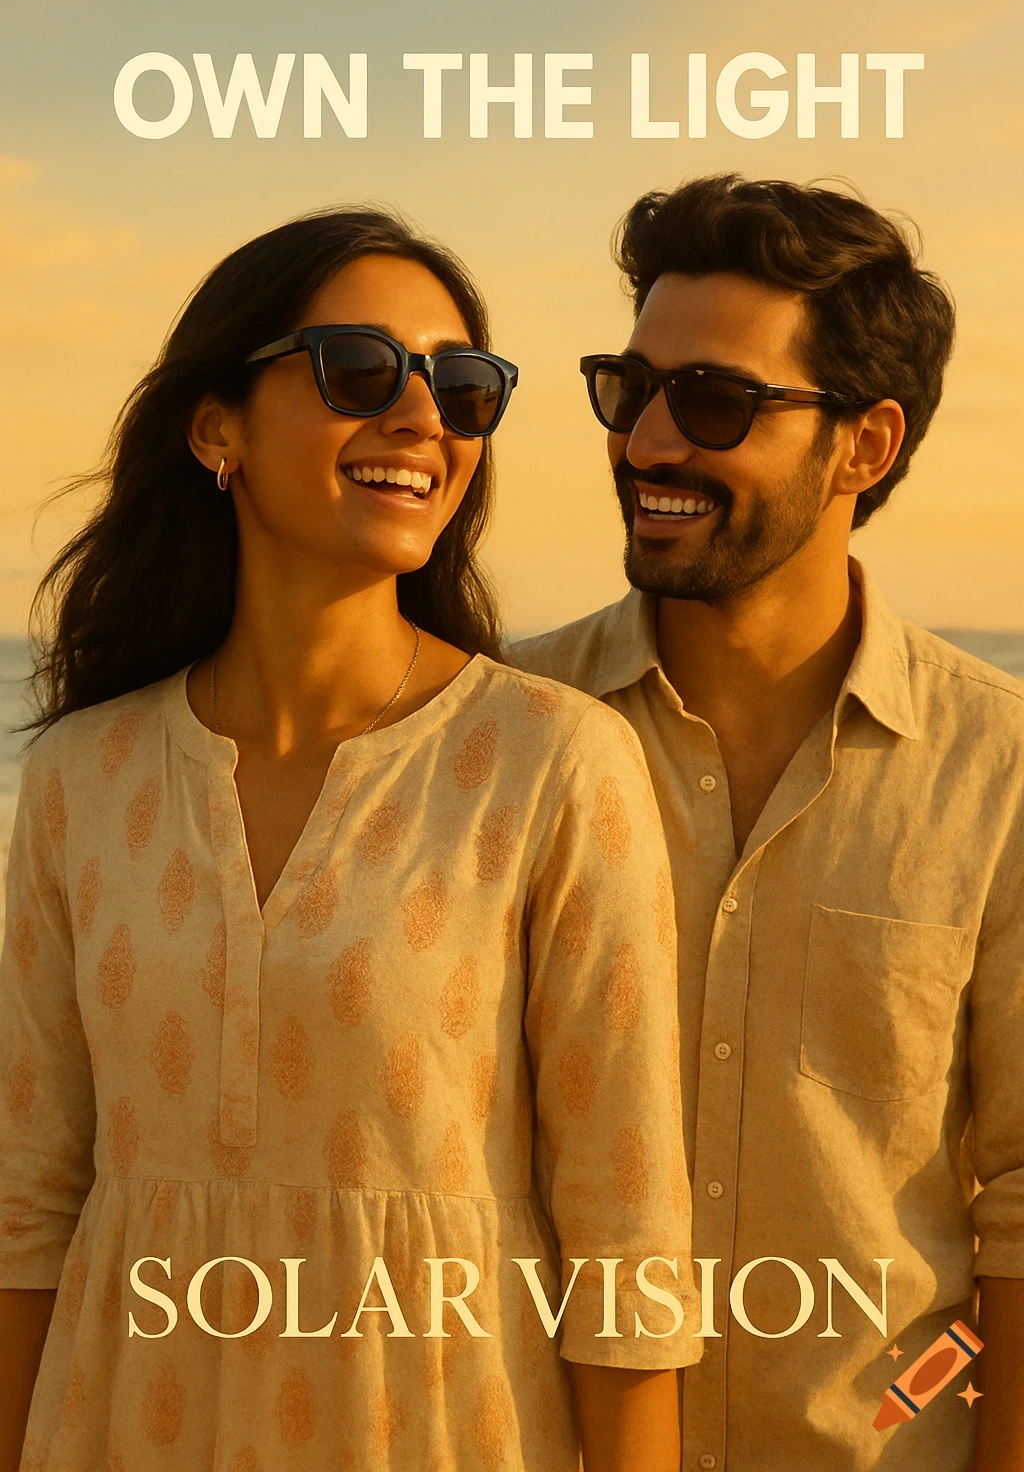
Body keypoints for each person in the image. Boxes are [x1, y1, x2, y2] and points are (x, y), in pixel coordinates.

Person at [0, 207, 703, 1472]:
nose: (423, 417)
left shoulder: (551, 765)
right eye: (360, 370)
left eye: (464, 388)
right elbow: (26, 1213)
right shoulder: (77, 781)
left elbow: (626, 1246)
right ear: (217, 428)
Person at [510, 173, 1024, 1472]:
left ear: (867, 443)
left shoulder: (1002, 770)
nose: (646, 443)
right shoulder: (497, 730)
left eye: (716, 402)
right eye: (629, 391)